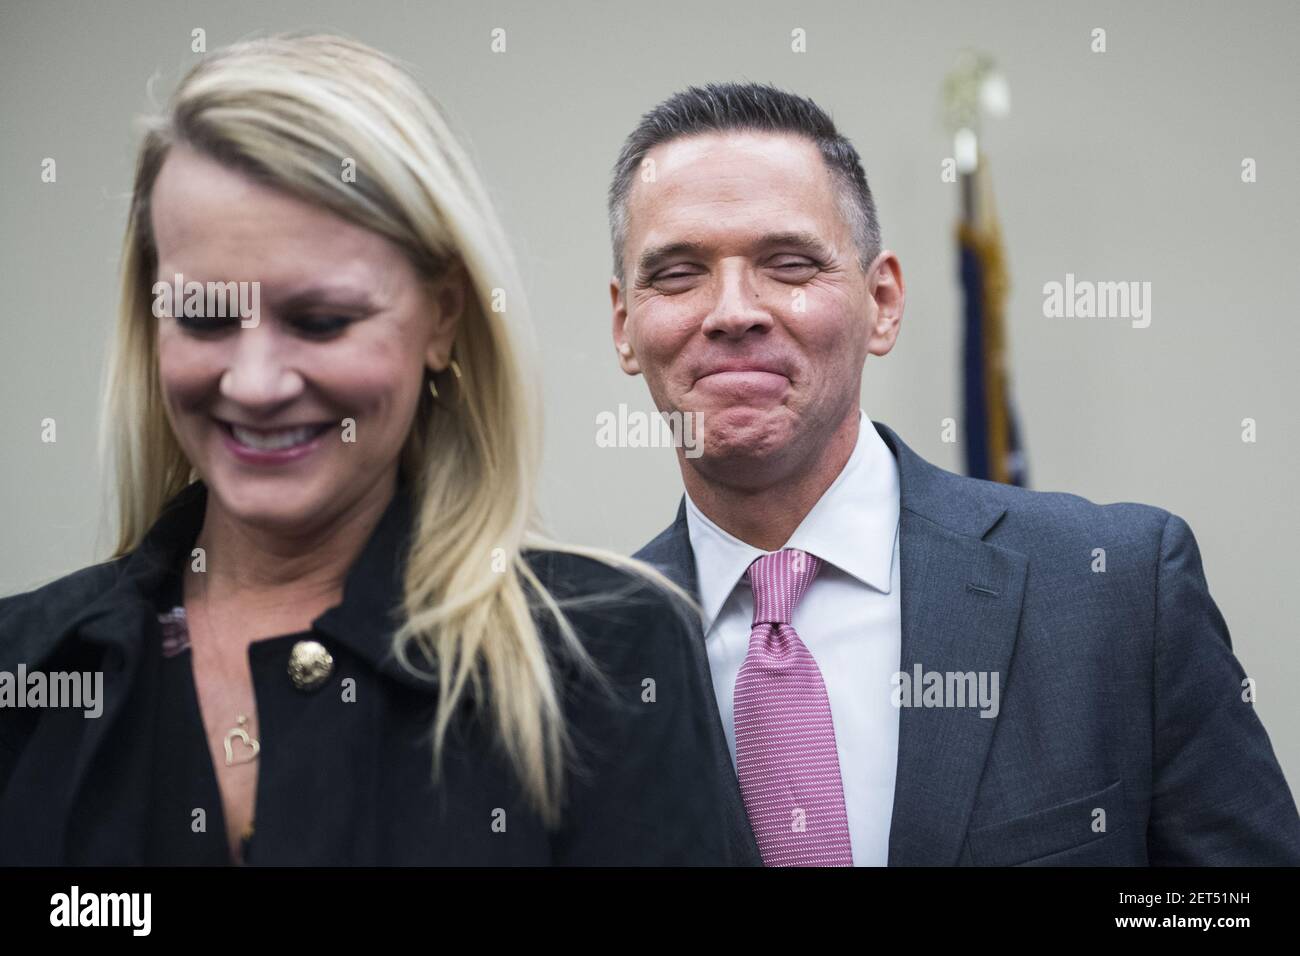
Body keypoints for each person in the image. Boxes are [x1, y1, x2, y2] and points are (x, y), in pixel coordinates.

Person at [0, 34, 737, 866]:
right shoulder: (26, 668)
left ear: (443, 316)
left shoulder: (605, 657)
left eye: (321, 321)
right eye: (205, 317)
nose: (256, 382)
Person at [607, 82, 1300, 866]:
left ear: (884, 302)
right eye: (676, 275)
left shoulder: (1121, 592)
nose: (733, 310)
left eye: (789, 264)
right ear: (625, 327)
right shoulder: (563, 662)